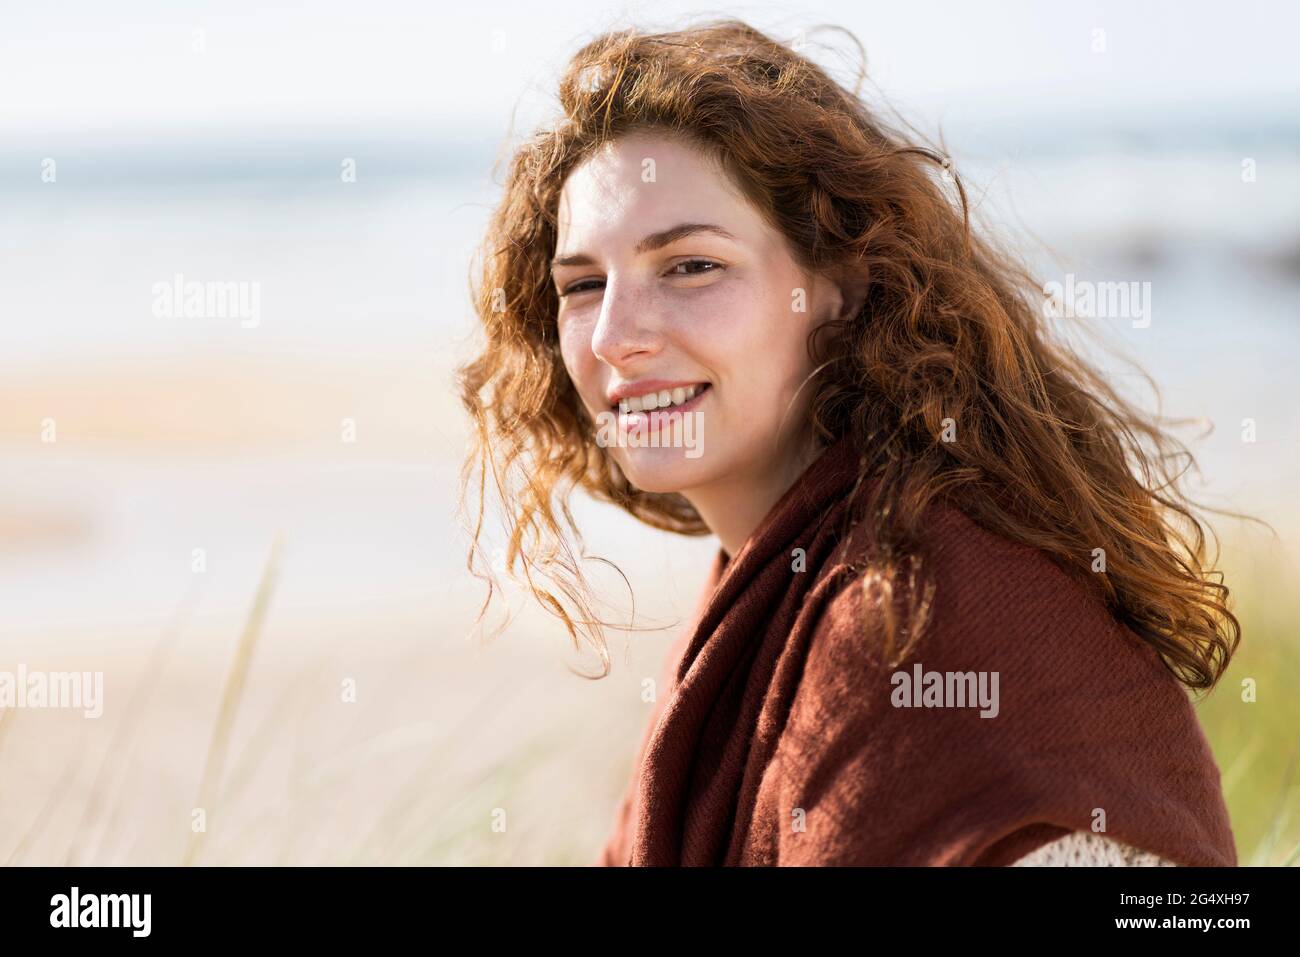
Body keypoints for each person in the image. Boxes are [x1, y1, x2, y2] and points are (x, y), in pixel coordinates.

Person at [457, 19, 1241, 866]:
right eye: (583, 284)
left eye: (690, 266)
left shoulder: (912, 608)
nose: (614, 335)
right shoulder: (765, 582)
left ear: (840, 286)